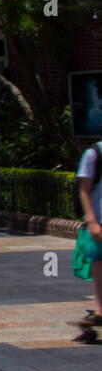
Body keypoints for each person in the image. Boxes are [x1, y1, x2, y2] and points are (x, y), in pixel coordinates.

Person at [75, 139, 102, 326]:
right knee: (99, 266)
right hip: (99, 221)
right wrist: (91, 221)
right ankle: (101, 310)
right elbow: (84, 190)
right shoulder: (94, 153)